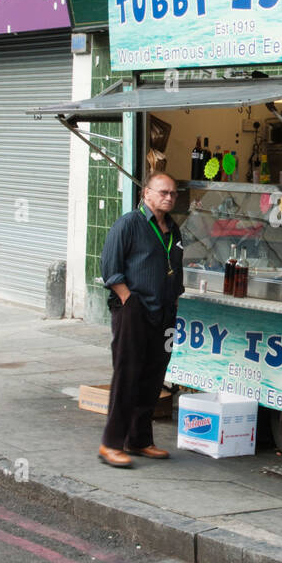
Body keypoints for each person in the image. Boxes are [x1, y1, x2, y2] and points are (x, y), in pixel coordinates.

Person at [98, 171, 184, 467]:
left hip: (165, 313)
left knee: (153, 376)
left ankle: (139, 439)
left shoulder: (174, 229)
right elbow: (109, 267)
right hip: (134, 310)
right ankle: (111, 443)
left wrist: (173, 299)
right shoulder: (129, 224)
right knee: (127, 376)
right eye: (163, 192)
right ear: (146, 193)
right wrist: (128, 299)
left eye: (173, 193)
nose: (169, 198)